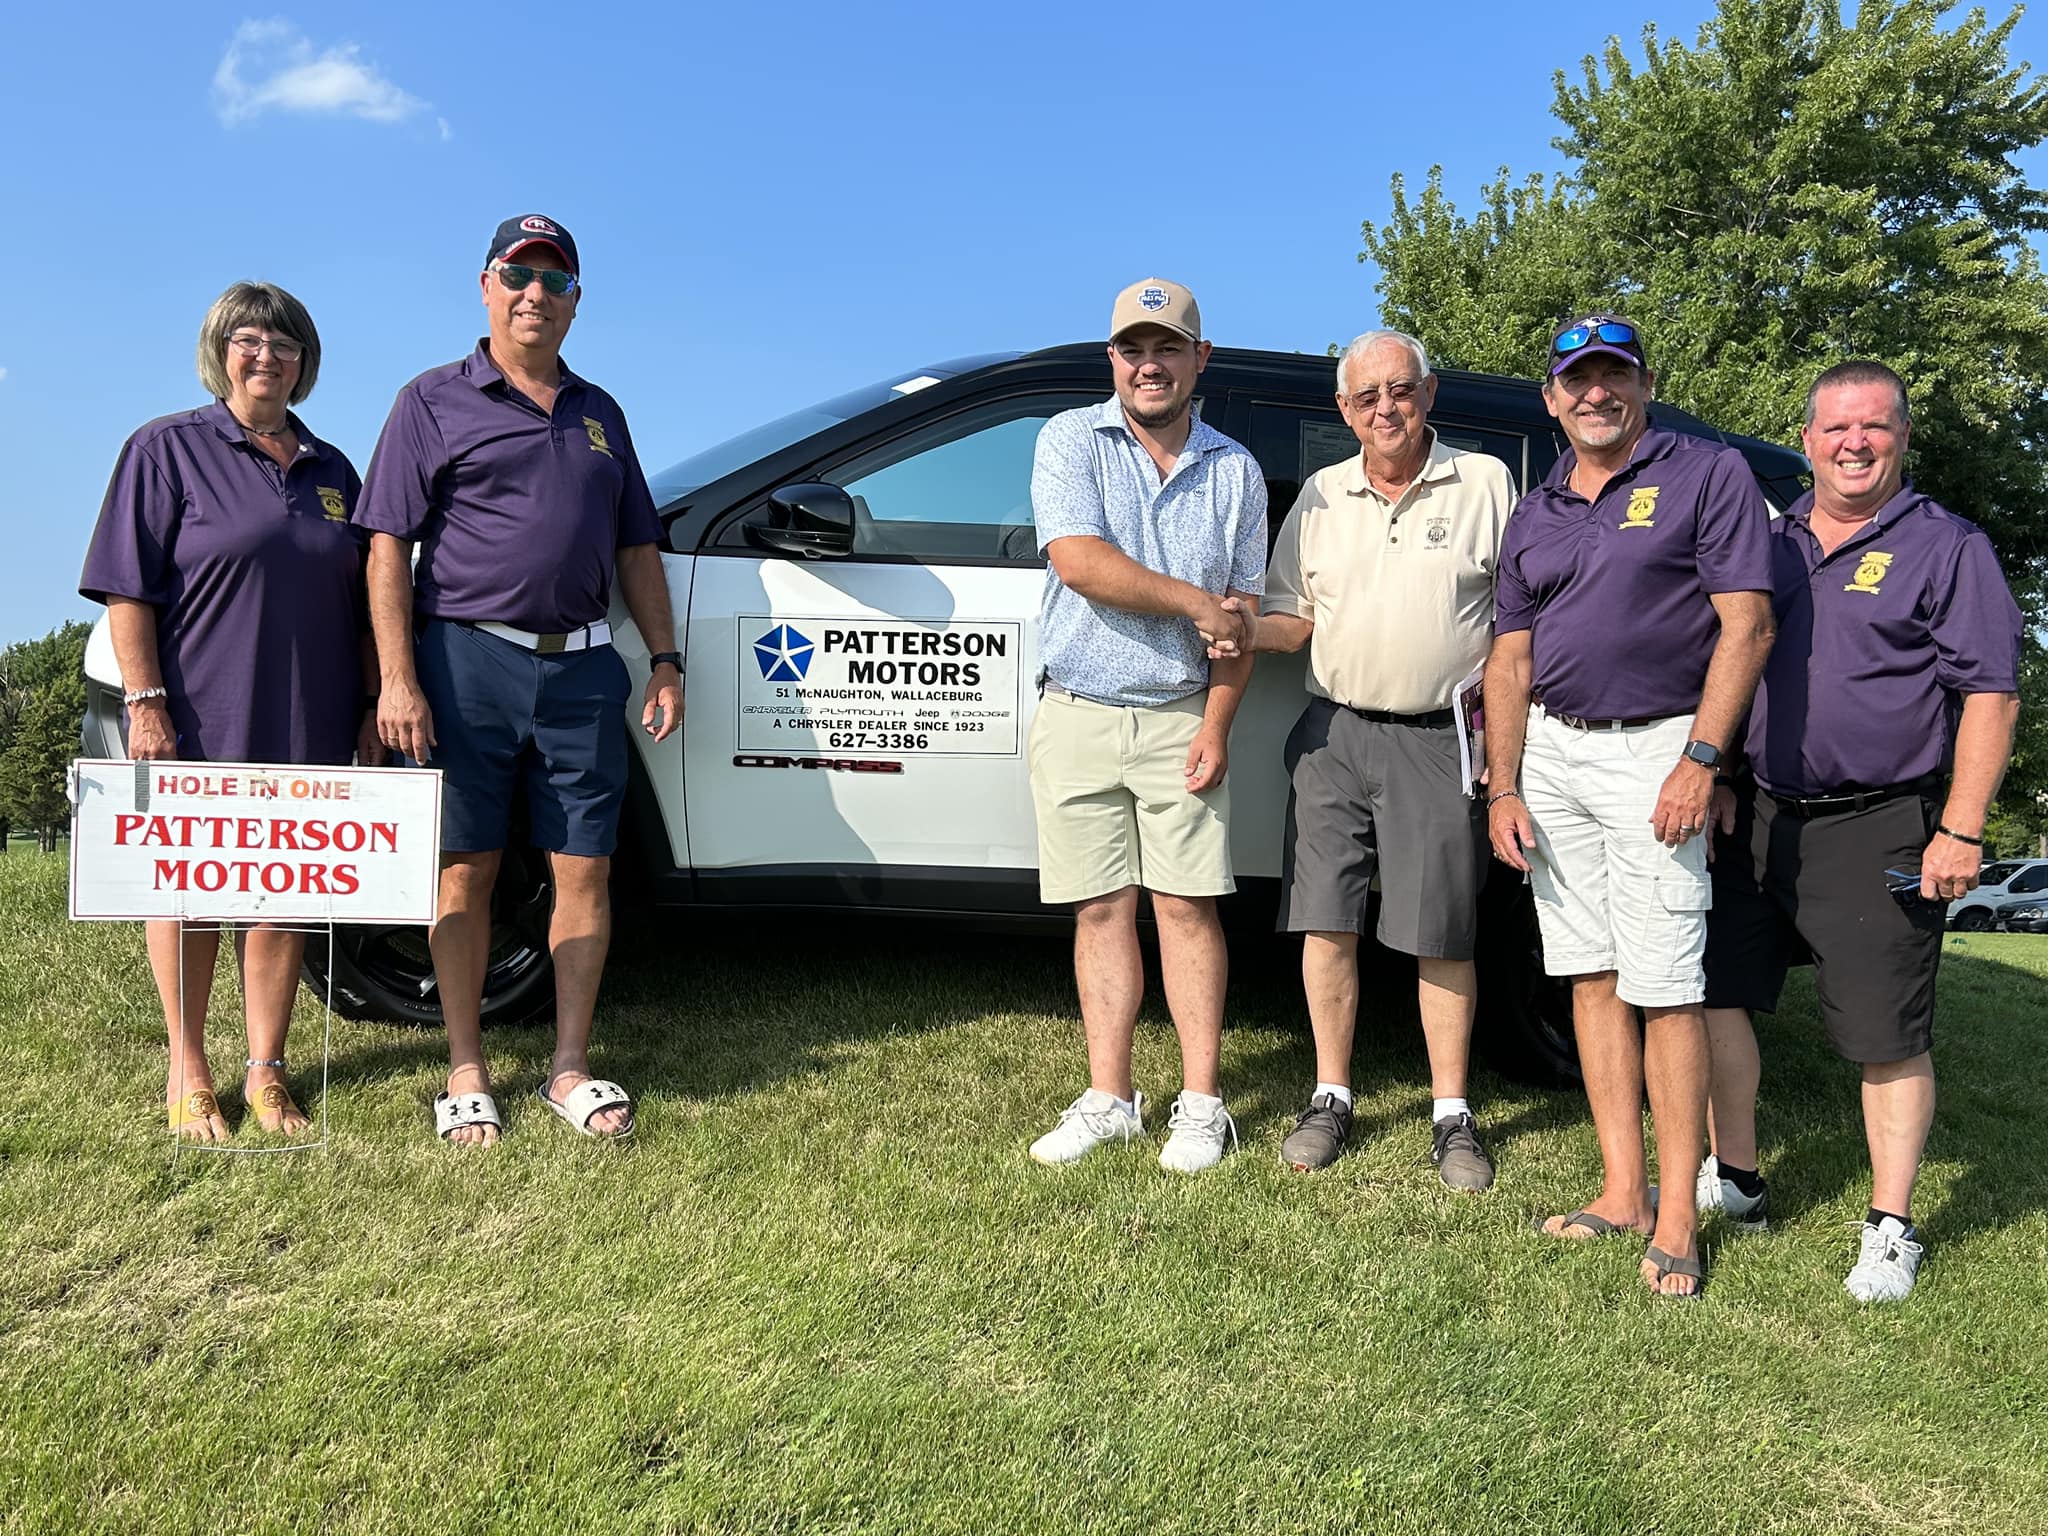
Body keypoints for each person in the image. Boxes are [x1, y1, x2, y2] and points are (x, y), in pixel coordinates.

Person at [356, 215, 682, 1146]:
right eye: (519, 274)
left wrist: (664, 659)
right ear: (487, 285)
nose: (536, 292)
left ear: (577, 300)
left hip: (582, 667)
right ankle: (465, 1068)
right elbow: (387, 547)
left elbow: (636, 549)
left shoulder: (599, 413)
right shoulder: (430, 401)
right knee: (465, 867)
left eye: (556, 279)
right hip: (465, 661)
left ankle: (568, 1066)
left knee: (586, 868)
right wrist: (397, 678)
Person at [1700, 360, 2022, 1302]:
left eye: (1873, 427)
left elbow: (1990, 697)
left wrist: (1961, 827)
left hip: (1881, 819)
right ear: (1805, 441)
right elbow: (1731, 656)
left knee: (1884, 1032)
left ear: (1902, 438)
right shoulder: (1769, 543)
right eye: (1835, 427)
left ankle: (1892, 1225)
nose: (1853, 444)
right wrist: (1720, 769)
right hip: (1756, 811)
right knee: (1721, 996)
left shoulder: (1948, 547)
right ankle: (1740, 1180)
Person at [1482, 313, 1776, 1296]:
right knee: (1590, 978)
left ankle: (1681, 1219)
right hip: (1554, 759)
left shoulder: (1704, 474)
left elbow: (1747, 623)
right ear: (1550, 398)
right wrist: (1505, 785)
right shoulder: (1535, 511)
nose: (1594, 394)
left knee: (1666, 987)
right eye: (1576, 380)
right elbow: (1510, 657)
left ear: (1643, 385)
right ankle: (1620, 1193)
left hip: (1657, 748)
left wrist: (1701, 761)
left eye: (1613, 376)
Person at [79, 281, 380, 1140]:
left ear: (304, 365)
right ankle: (188, 1069)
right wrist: (145, 704)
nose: (267, 357)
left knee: (281, 893)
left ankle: (267, 1071)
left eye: (285, 345)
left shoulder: (334, 471)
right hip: (200, 714)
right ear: (222, 352)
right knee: (192, 891)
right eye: (250, 340)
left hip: (310, 713)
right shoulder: (165, 449)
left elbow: (364, 604)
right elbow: (125, 589)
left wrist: (366, 706)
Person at [1236, 331, 1514, 1187]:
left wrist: (1509, 756)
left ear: (1429, 394)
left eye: (1401, 390)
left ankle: (1451, 1113)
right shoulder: (1321, 494)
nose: (1385, 409)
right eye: (1367, 398)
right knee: (1325, 919)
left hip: (1437, 737)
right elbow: (1292, 617)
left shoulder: (1486, 484)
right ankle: (1331, 1094)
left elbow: (1519, 627)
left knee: (1441, 931)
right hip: (1331, 733)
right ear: (1344, 411)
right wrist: (1243, 629)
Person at [1025, 277, 1267, 1174]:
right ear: (1113, 360)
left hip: (1178, 719)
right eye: (1133, 348)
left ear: (1199, 359)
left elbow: (1239, 624)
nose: (1149, 364)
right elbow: (1081, 562)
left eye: (1167, 348)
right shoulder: (1069, 441)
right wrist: (1197, 604)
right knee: (1099, 911)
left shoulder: (1235, 470)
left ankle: (1202, 1105)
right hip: (1077, 710)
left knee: (1187, 911)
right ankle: (1111, 1098)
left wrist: (1218, 723)